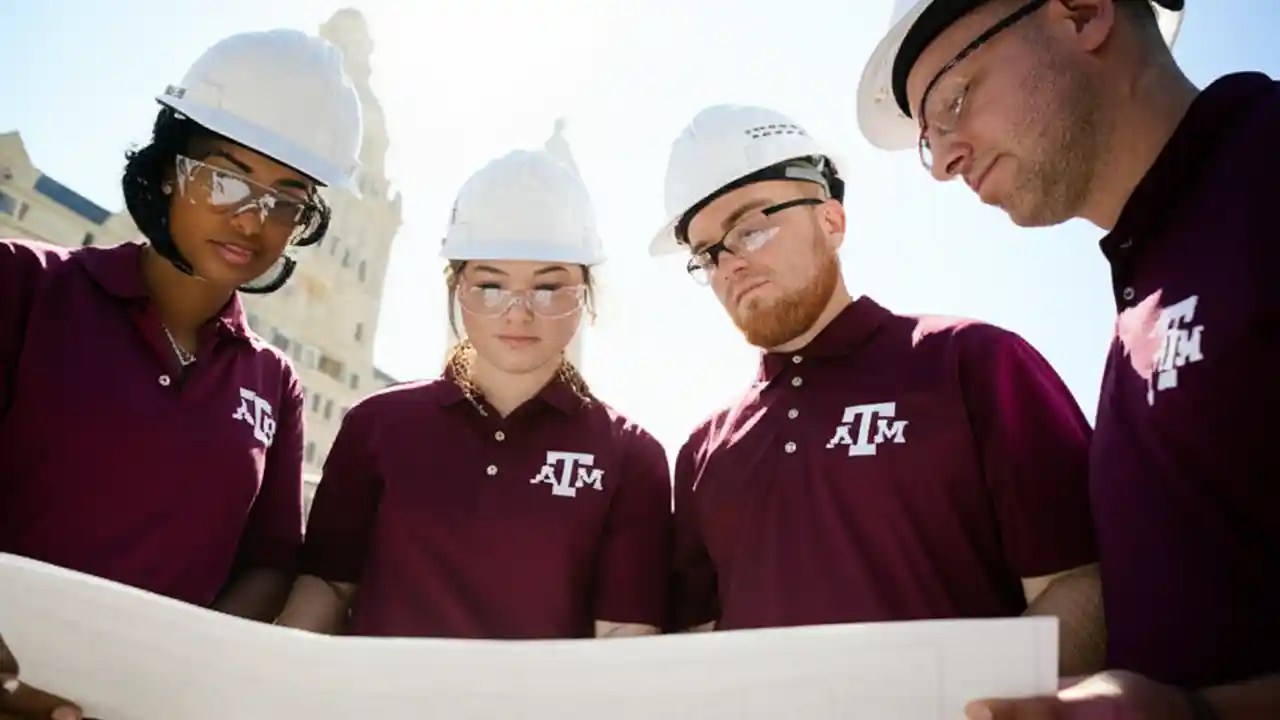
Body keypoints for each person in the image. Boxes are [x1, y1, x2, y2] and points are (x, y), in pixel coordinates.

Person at [856, 0, 1280, 717]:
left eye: (954, 100)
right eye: (930, 138)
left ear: (1083, 13)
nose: (944, 161)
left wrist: (1194, 713)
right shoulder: (1135, 317)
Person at [650, 104, 1103, 672]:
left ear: (831, 222)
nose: (729, 265)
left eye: (751, 229)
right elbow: (698, 651)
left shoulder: (972, 365)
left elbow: (1083, 586)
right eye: (707, 253)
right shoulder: (701, 456)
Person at [0, 28, 362, 719]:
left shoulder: (274, 384)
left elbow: (268, 564)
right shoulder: (22, 285)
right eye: (226, 176)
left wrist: (176, 680)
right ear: (170, 168)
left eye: (286, 199)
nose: (252, 218)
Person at [276, 131, 672, 640]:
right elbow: (329, 587)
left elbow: (623, 638)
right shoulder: (377, 426)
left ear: (586, 294)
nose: (519, 311)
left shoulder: (631, 458)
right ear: (456, 288)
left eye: (549, 287)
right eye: (490, 285)